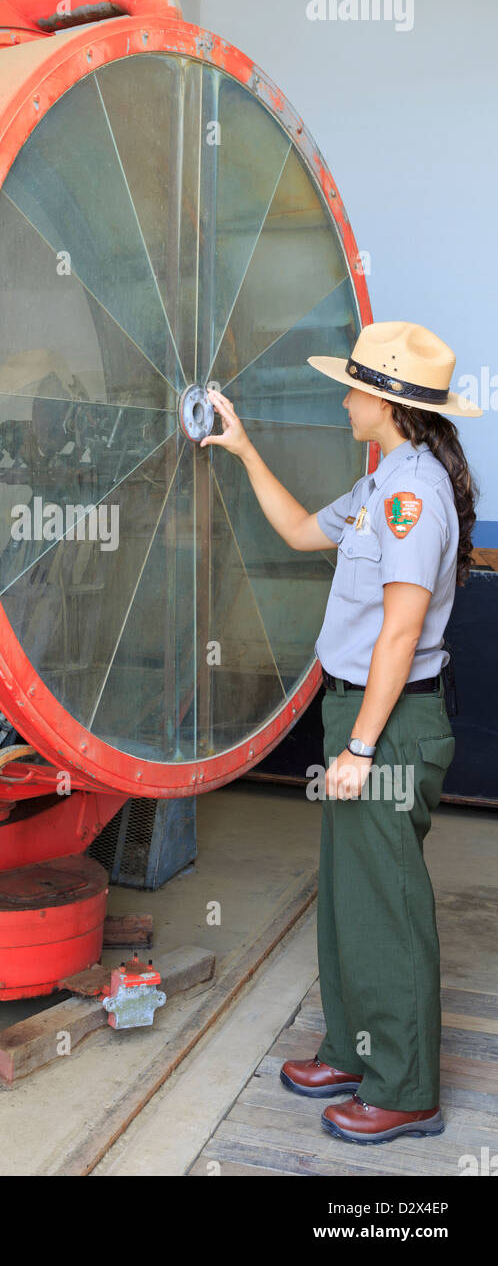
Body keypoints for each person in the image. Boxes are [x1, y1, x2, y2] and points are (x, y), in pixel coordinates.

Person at [201, 320, 482, 1145]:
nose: (345, 398)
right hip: (355, 708)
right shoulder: (382, 483)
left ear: (387, 402)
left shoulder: (412, 494)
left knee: (386, 905)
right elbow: (297, 533)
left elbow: (400, 633)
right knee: (350, 894)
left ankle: (405, 1088)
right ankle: (356, 1052)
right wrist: (244, 449)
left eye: (355, 387)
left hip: (386, 723)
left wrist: (361, 747)